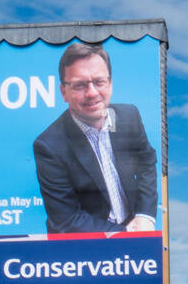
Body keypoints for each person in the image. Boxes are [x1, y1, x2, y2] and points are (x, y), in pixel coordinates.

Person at [32, 42, 157, 234]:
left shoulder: (129, 116)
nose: (92, 93)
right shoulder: (49, 145)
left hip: (134, 227)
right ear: (63, 92)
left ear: (110, 84)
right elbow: (66, 219)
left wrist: (144, 216)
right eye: (80, 85)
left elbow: (147, 161)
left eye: (99, 82)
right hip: (86, 247)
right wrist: (123, 232)